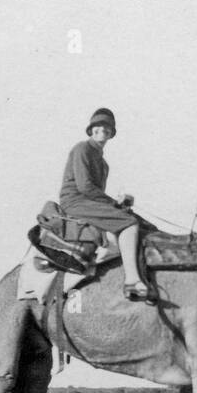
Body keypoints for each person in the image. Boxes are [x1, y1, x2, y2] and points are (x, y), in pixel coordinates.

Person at [59, 108, 152, 302]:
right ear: (91, 130)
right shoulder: (82, 149)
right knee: (128, 222)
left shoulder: (104, 164)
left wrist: (118, 204)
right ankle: (132, 280)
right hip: (75, 201)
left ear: (111, 133)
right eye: (99, 126)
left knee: (142, 224)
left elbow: (95, 192)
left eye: (108, 127)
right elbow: (85, 187)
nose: (103, 130)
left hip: (87, 201)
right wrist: (114, 203)